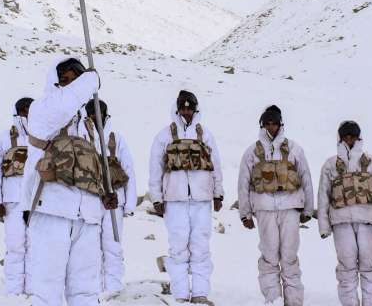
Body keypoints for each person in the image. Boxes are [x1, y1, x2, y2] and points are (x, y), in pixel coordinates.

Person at [21, 57, 119, 306]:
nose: (73, 84)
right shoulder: (42, 109)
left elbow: (92, 165)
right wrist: (91, 79)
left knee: (85, 291)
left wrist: (104, 193)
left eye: (77, 79)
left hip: (87, 217)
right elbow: (64, 105)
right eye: (66, 79)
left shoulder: (87, 125)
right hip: (52, 211)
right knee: (47, 291)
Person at [149, 90, 224, 305]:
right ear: (177, 109)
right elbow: (155, 168)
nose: (186, 111)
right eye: (183, 107)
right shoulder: (164, 136)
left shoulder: (205, 135)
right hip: (174, 201)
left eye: (190, 108)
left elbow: (216, 166)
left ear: (196, 109)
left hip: (201, 200)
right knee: (178, 248)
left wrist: (218, 193)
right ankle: (180, 294)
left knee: (201, 247)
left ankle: (200, 293)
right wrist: (156, 198)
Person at [237, 104, 315, 306]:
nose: (271, 127)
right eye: (267, 123)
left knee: (289, 256)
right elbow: (243, 183)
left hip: (290, 209)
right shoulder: (252, 152)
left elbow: (306, 178)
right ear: (262, 125)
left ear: (281, 124)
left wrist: (308, 209)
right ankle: (273, 299)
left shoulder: (294, 149)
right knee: (270, 256)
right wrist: (245, 213)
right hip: (264, 210)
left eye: (274, 123)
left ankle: (294, 301)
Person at [316, 120, 372, 306]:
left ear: (359, 137)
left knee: (369, 267)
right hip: (341, 222)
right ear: (340, 138)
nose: (349, 139)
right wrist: (323, 226)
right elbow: (323, 196)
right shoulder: (331, 165)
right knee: (346, 267)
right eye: (345, 136)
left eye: (352, 136)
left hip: (368, 221)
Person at [0, 96, 34, 296]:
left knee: (36, 247)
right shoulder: (3, 138)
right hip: (13, 200)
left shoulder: (45, 135)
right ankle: (14, 292)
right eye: (25, 109)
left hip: (38, 200)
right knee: (15, 246)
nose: (28, 112)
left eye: (31, 108)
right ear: (18, 111)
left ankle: (34, 291)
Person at [94, 99, 137, 298]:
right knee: (89, 246)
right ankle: (92, 288)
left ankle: (113, 287)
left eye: (99, 114)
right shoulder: (80, 138)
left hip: (114, 200)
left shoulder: (116, 139)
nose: (96, 118)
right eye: (92, 114)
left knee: (112, 244)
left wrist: (129, 204)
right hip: (89, 200)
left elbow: (128, 170)